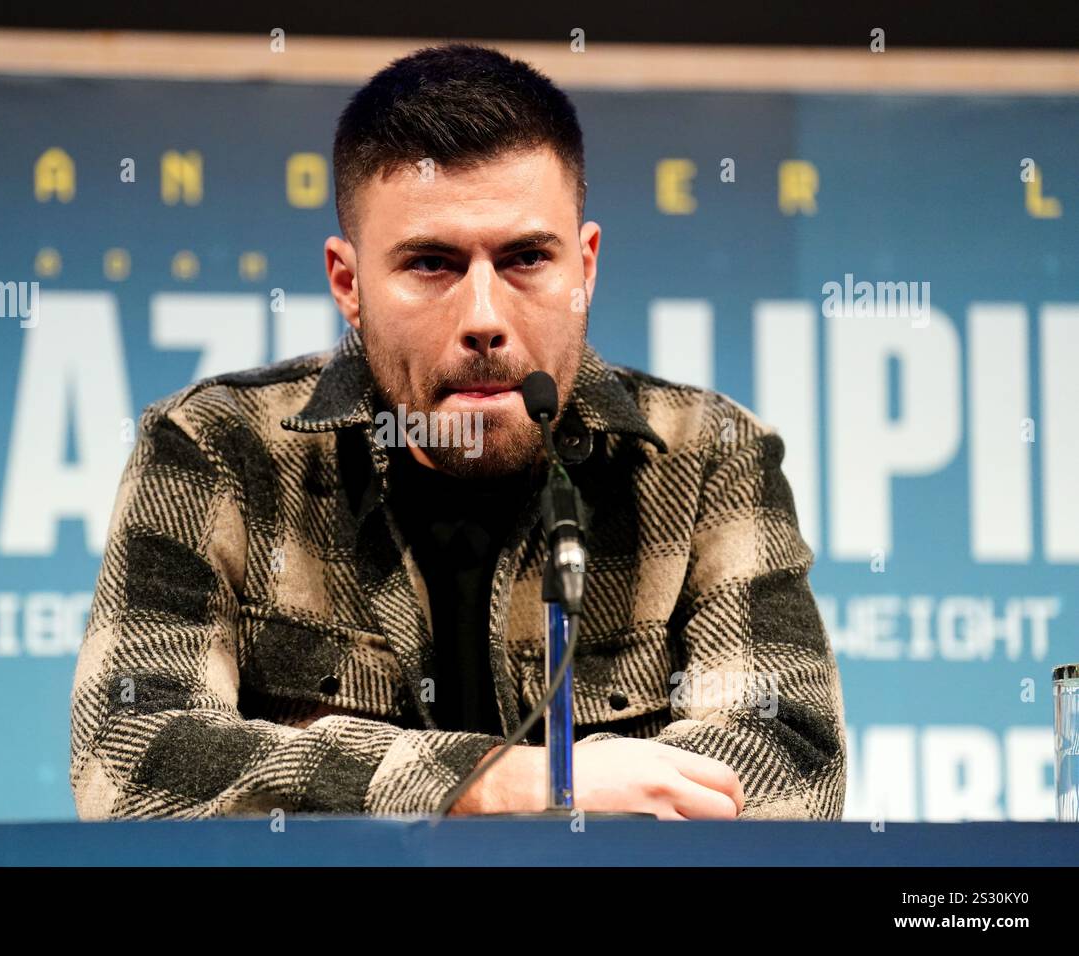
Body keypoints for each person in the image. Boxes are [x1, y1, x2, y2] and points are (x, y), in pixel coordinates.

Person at [70, 43, 846, 820]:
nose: (484, 320)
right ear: (349, 284)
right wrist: (496, 780)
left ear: (586, 268)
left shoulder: (708, 456)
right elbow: (131, 758)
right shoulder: (216, 448)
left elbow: (792, 769)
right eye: (433, 264)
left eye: (526, 259)